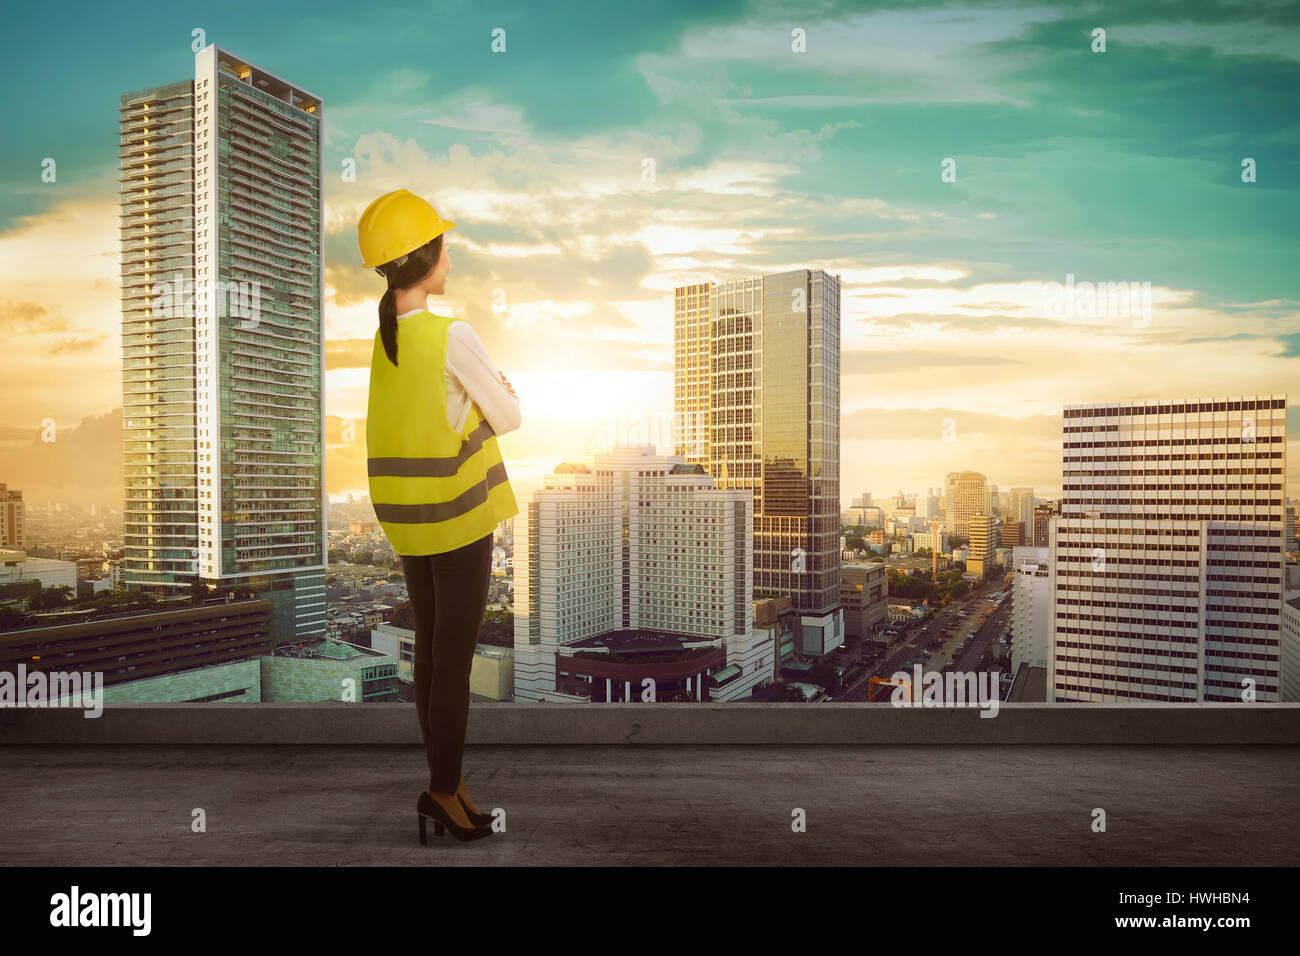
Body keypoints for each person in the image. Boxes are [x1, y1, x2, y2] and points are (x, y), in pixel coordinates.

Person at [358, 189, 521, 844]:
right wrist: (489, 399)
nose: (450, 255)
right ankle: (442, 792)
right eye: (444, 245)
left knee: (429, 654)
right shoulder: (452, 335)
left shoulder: (384, 339)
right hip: (457, 517)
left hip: (407, 519)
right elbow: (510, 416)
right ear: (423, 257)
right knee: (454, 661)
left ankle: (446, 786)